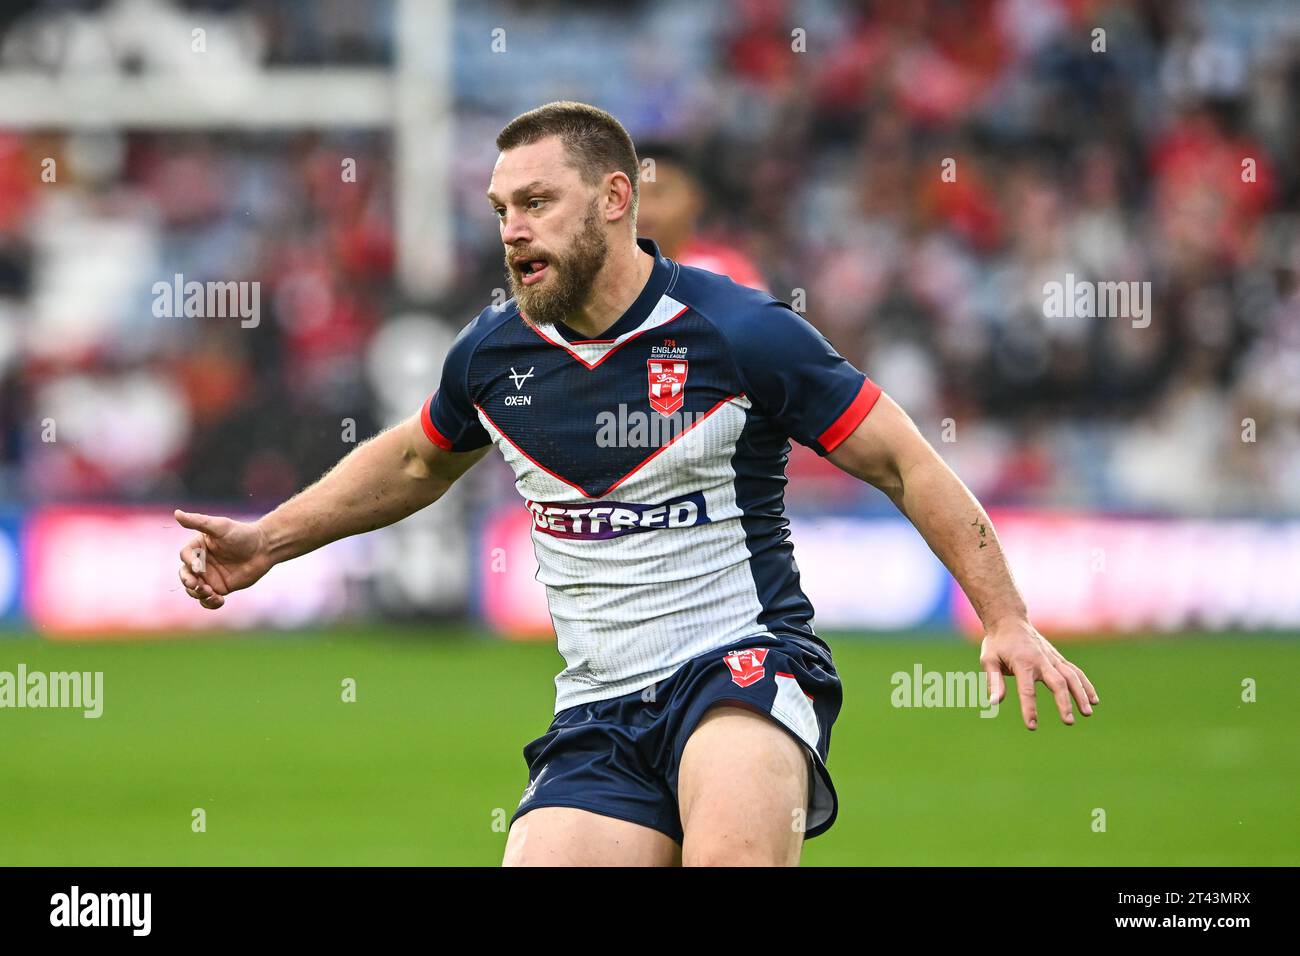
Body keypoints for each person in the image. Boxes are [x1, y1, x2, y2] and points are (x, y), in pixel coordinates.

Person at [175, 101, 1098, 867]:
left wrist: (1004, 616)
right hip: (598, 704)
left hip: (741, 663)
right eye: (501, 209)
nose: (513, 230)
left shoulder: (740, 333)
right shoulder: (493, 355)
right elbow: (418, 461)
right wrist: (268, 540)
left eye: (537, 202)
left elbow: (903, 459)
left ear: (616, 199)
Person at [634, 139, 768, 290]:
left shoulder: (726, 274)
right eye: (634, 195)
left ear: (695, 199)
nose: (643, 210)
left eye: (658, 193)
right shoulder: (608, 275)